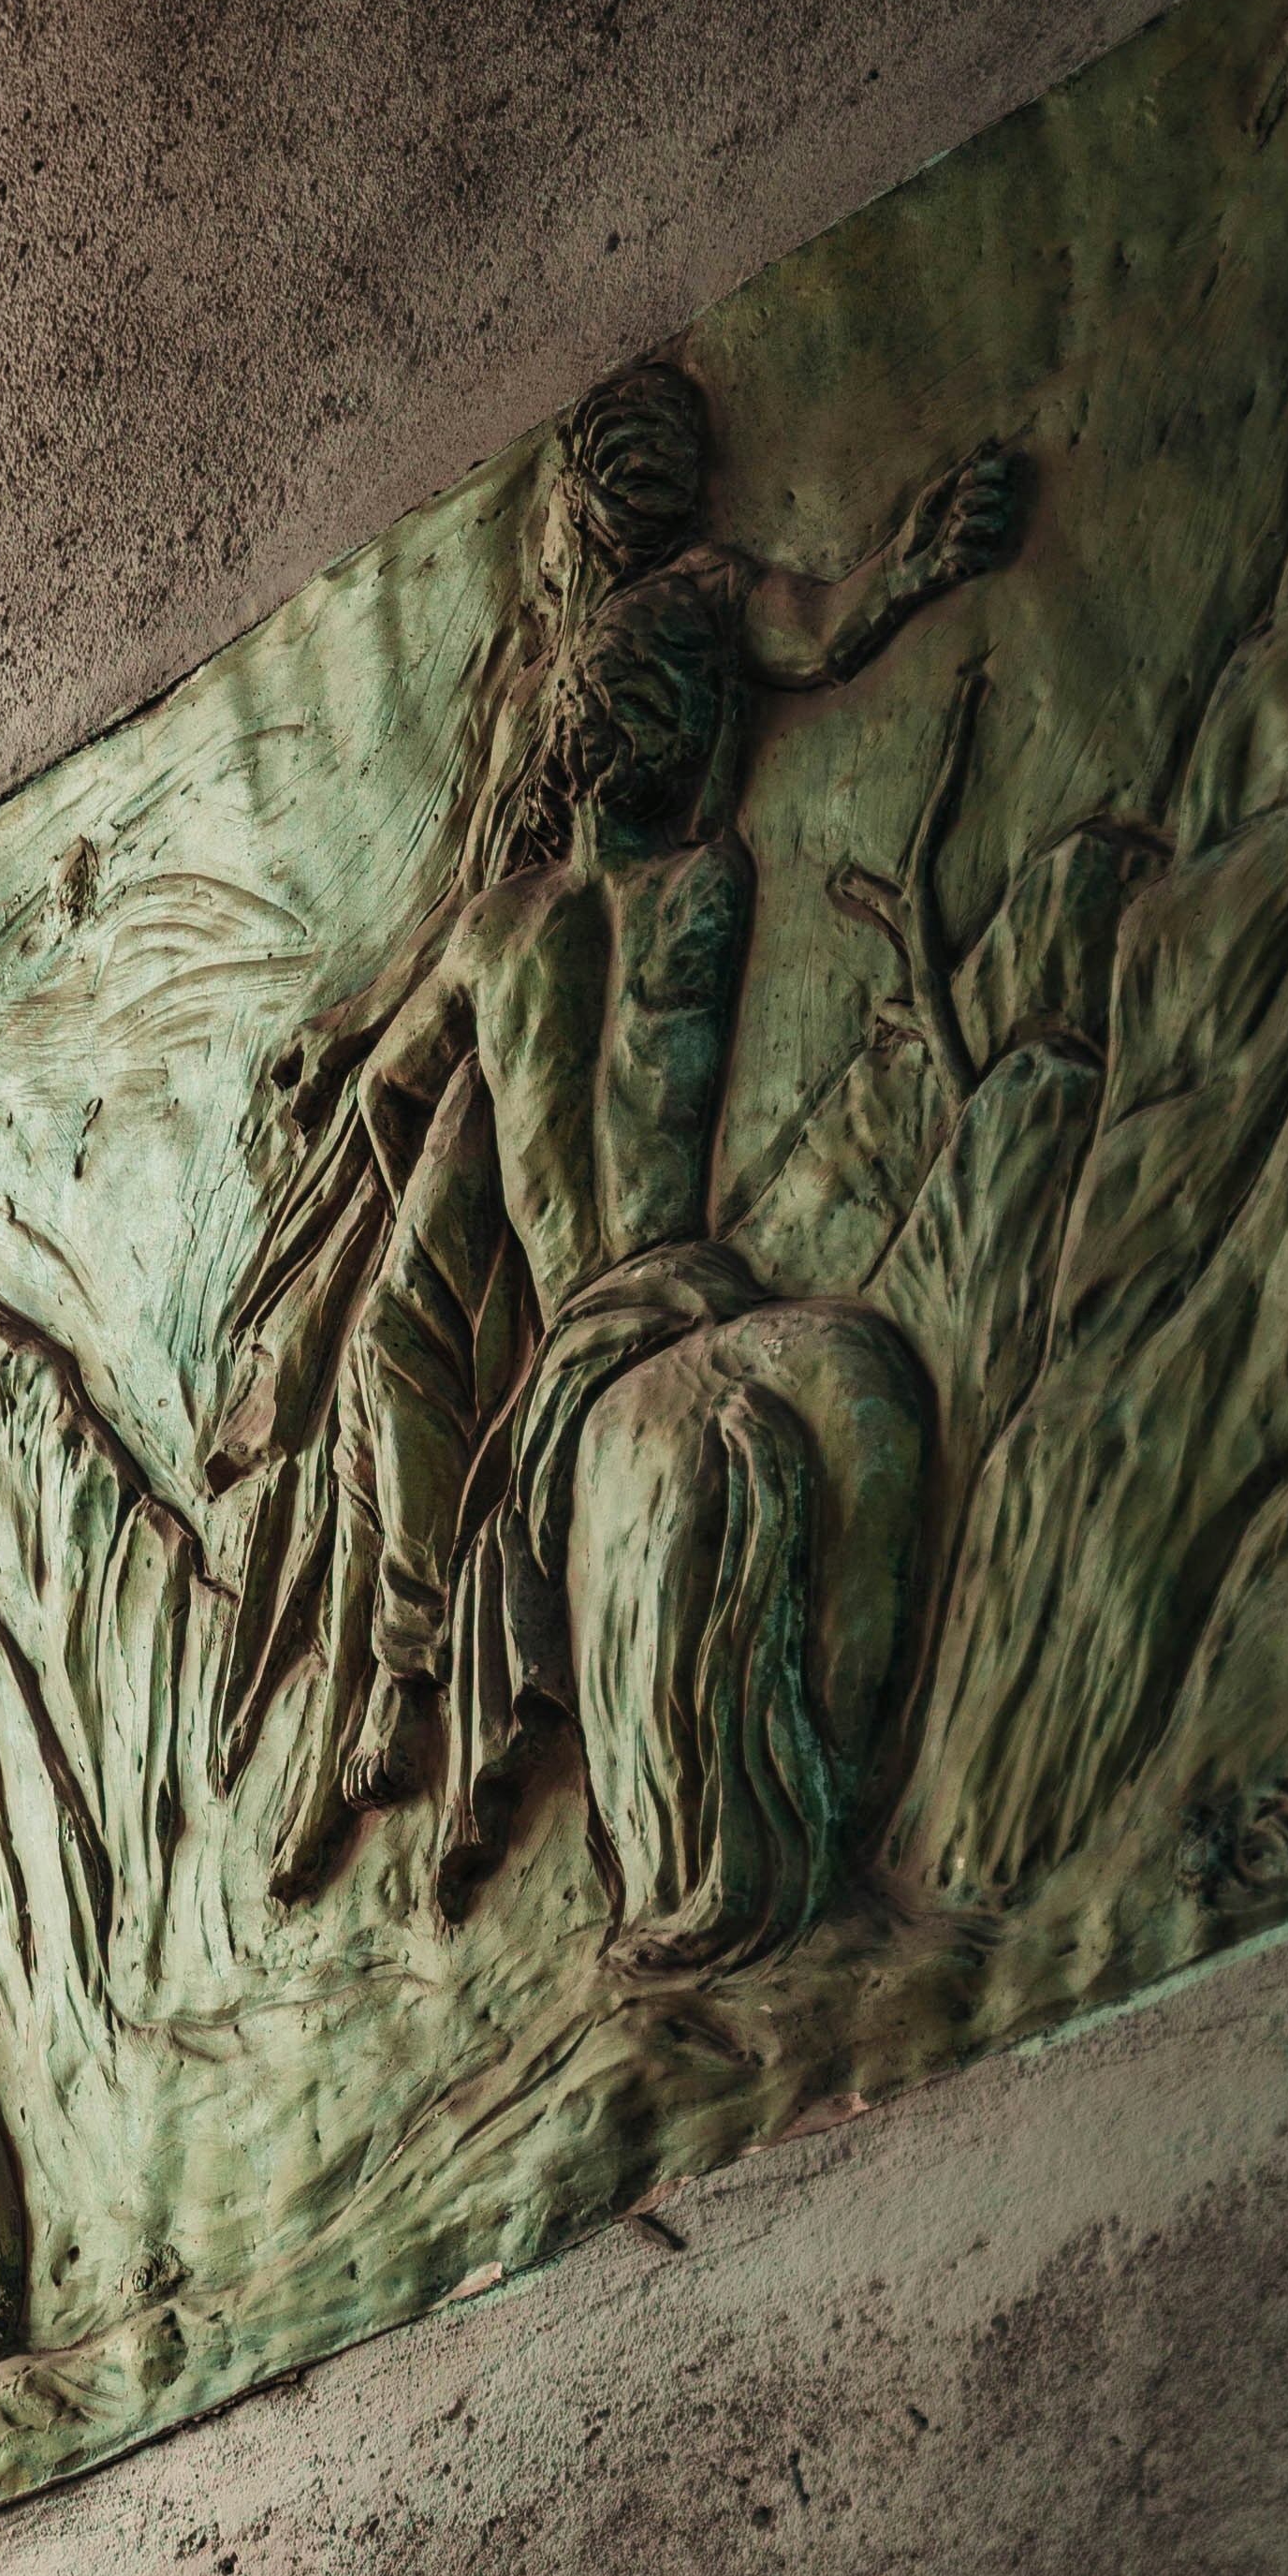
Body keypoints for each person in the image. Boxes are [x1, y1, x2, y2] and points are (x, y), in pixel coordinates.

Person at [227, 359, 1017, 1898]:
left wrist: (451, 1190)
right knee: (392, 1335)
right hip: (662, 1254)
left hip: (521, 1156)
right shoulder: (705, 874)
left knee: (400, 1335)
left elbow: (402, 1073)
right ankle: (395, 1684)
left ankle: (403, 1673)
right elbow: (820, 625)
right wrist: (912, 565)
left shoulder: (525, 870)